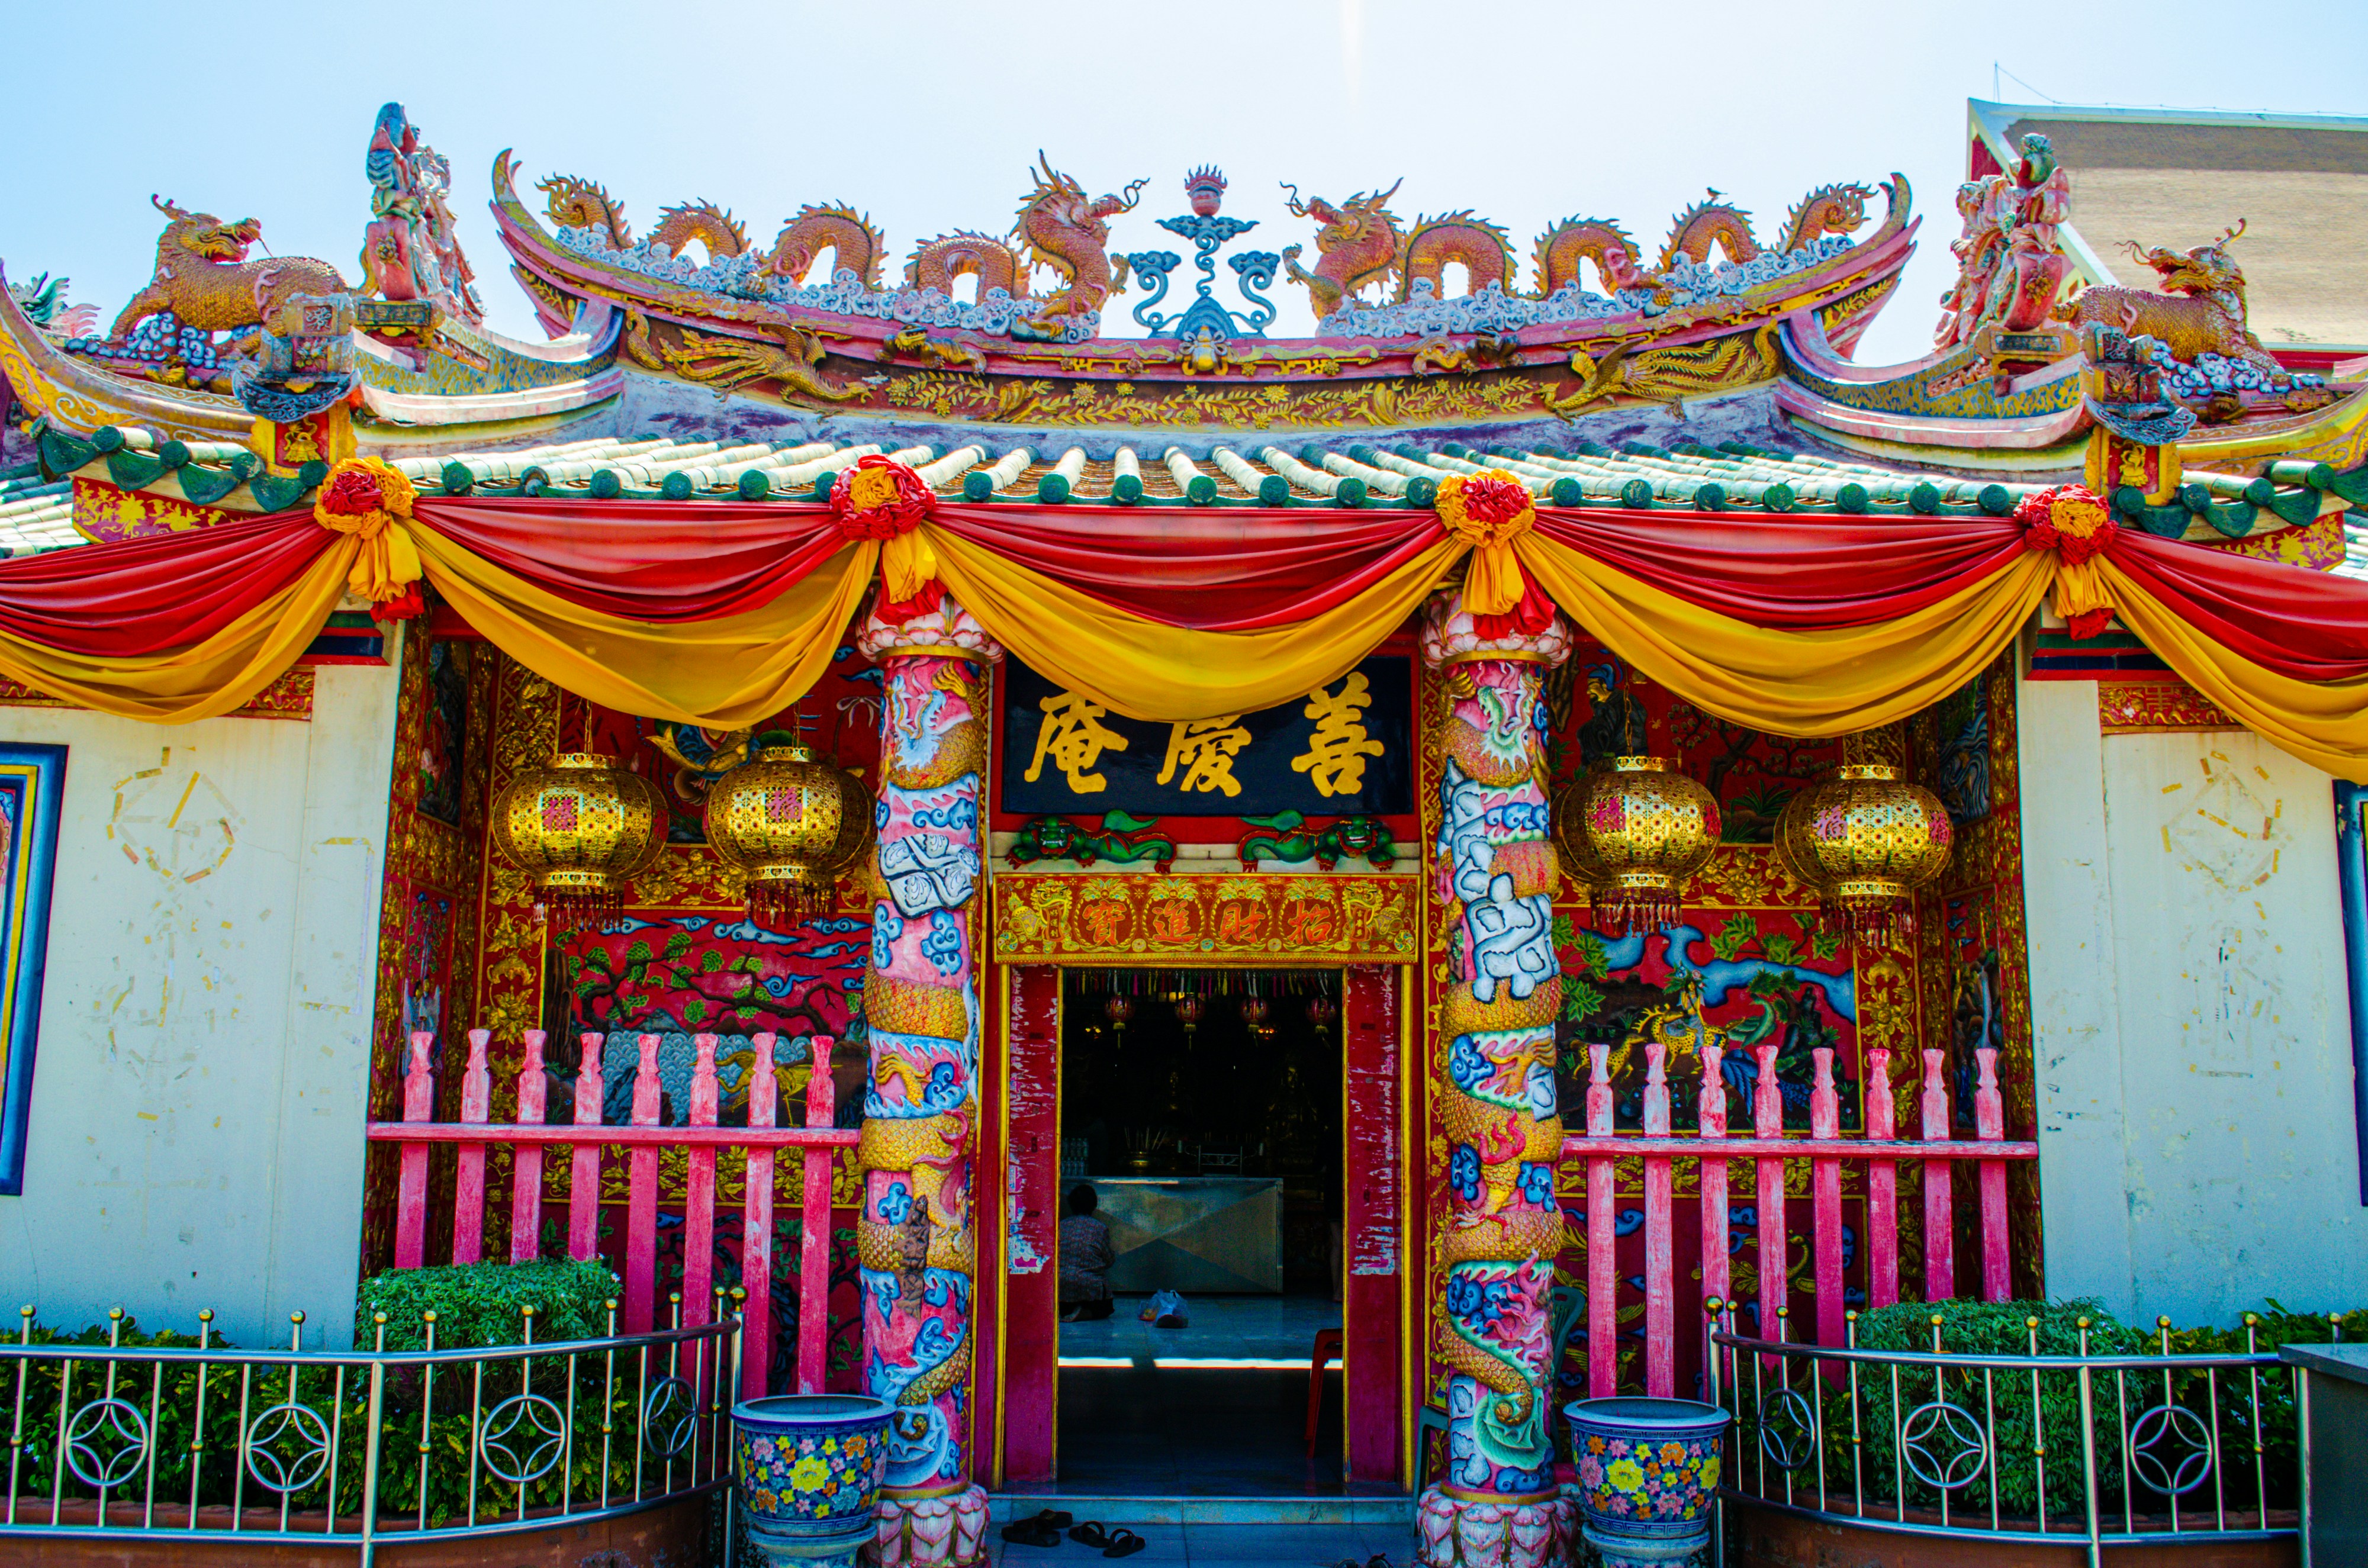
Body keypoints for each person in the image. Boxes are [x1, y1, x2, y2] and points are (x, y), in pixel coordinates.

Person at [1058, 1183, 1116, 1323]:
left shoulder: (1060, 1226)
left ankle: (1068, 1311)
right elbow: (1108, 1261)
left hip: (1061, 1286)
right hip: (1090, 1286)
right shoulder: (1100, 1228)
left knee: (1064, 1306)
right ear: (1094, 1205)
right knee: (1107, 1308)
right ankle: (1086, 1312)